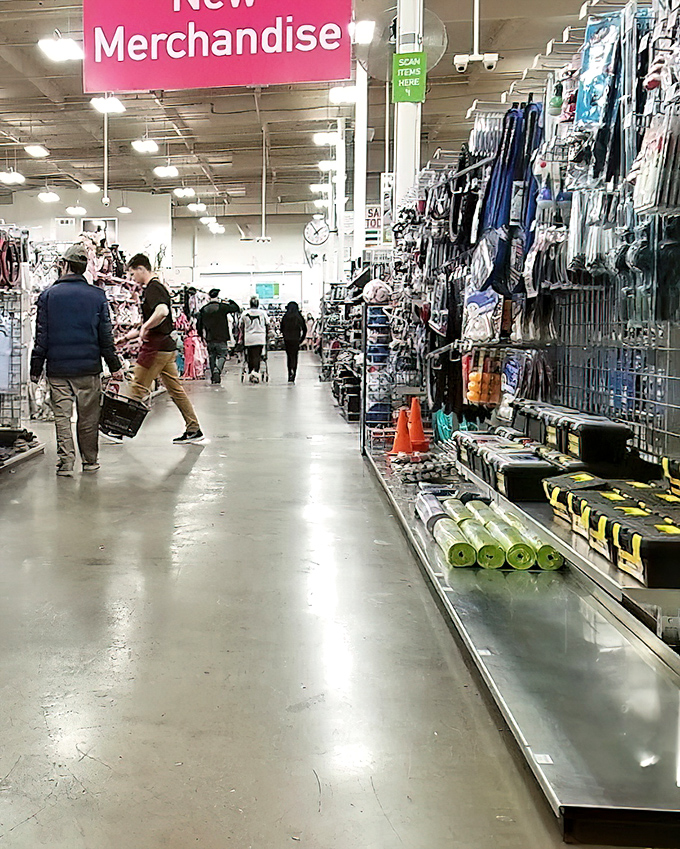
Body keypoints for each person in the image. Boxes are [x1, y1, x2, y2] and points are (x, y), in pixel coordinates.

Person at [30, 243, 123, 477]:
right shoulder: (97, 296)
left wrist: (35, 369)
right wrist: (115, 366)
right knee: (88, 418)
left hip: (58, 369)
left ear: (65, 265)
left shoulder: (48, 296)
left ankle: (66, 462)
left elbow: (41, 337)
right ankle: (90, 461)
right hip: (88, 369)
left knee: (62, 418)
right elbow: (105, 337)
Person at [123, 254, 203, 443]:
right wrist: (125, 338)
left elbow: (162, 311)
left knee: (137, 387)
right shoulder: (156, 288)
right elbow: (154, 319)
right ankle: (194, 429)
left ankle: (120, 427)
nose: (132, 278)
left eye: (133, 273)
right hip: (165, 347)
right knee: (175, 390)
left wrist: (145, 327)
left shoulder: (153, 288)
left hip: (156, 348)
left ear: (141, 269)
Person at [197, 288, 241, 385]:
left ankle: (214, 375)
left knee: (212, 356)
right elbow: (236, 308)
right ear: (217, 296)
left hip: (210, 337)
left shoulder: (204, 309)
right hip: (222, 337)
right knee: (222, 355)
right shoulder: (222, 307)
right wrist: (230, 301)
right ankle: (217, 371)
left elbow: (199, 325)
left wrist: (201, 336)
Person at [240, 296, 270, 383]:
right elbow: (268, 325)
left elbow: (240, 326)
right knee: (257, 355)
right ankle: (255, 372)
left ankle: (251, 372)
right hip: (260, 338)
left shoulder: (245, 314)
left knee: (249, 356)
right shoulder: (263, 313)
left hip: (248, 338)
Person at [280, 301, 307, 383]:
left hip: (287, 340)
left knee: (289, 356)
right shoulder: (299, 317)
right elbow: (304, 329)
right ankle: (294, 373)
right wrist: (301, 339)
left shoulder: (285, 317)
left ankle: (289, 373)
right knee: (295, 356)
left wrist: (285, 335)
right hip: (296, 340)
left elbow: (281, 328)